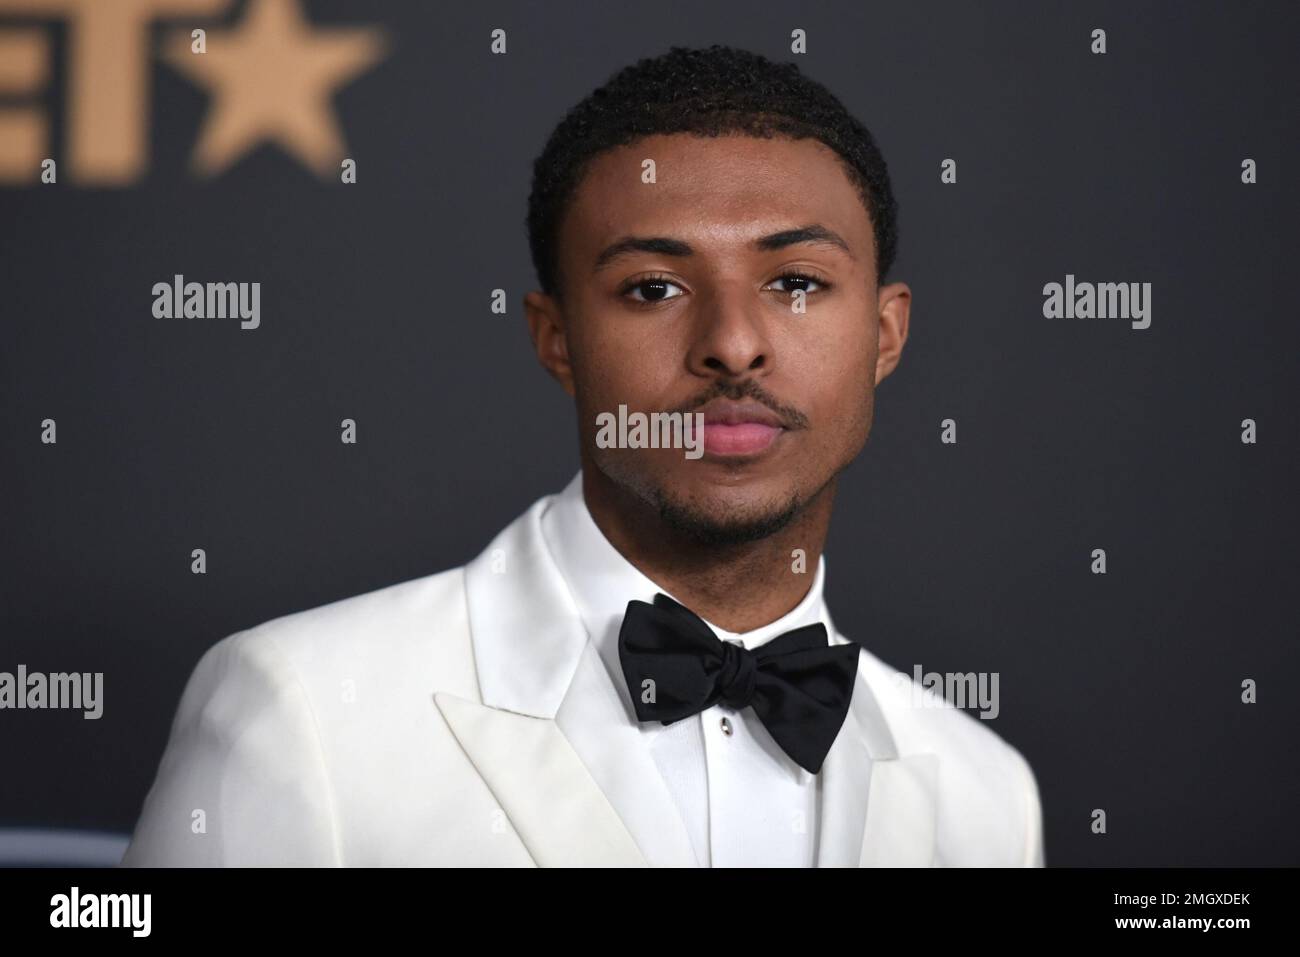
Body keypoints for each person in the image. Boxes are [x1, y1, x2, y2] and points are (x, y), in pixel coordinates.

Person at [121, 44, 1044, 867]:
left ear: (886, 335)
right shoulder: (305, 713)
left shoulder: (985, 792)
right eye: (652, 287)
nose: (732, 343)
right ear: (556, 338)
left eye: (796, 283)